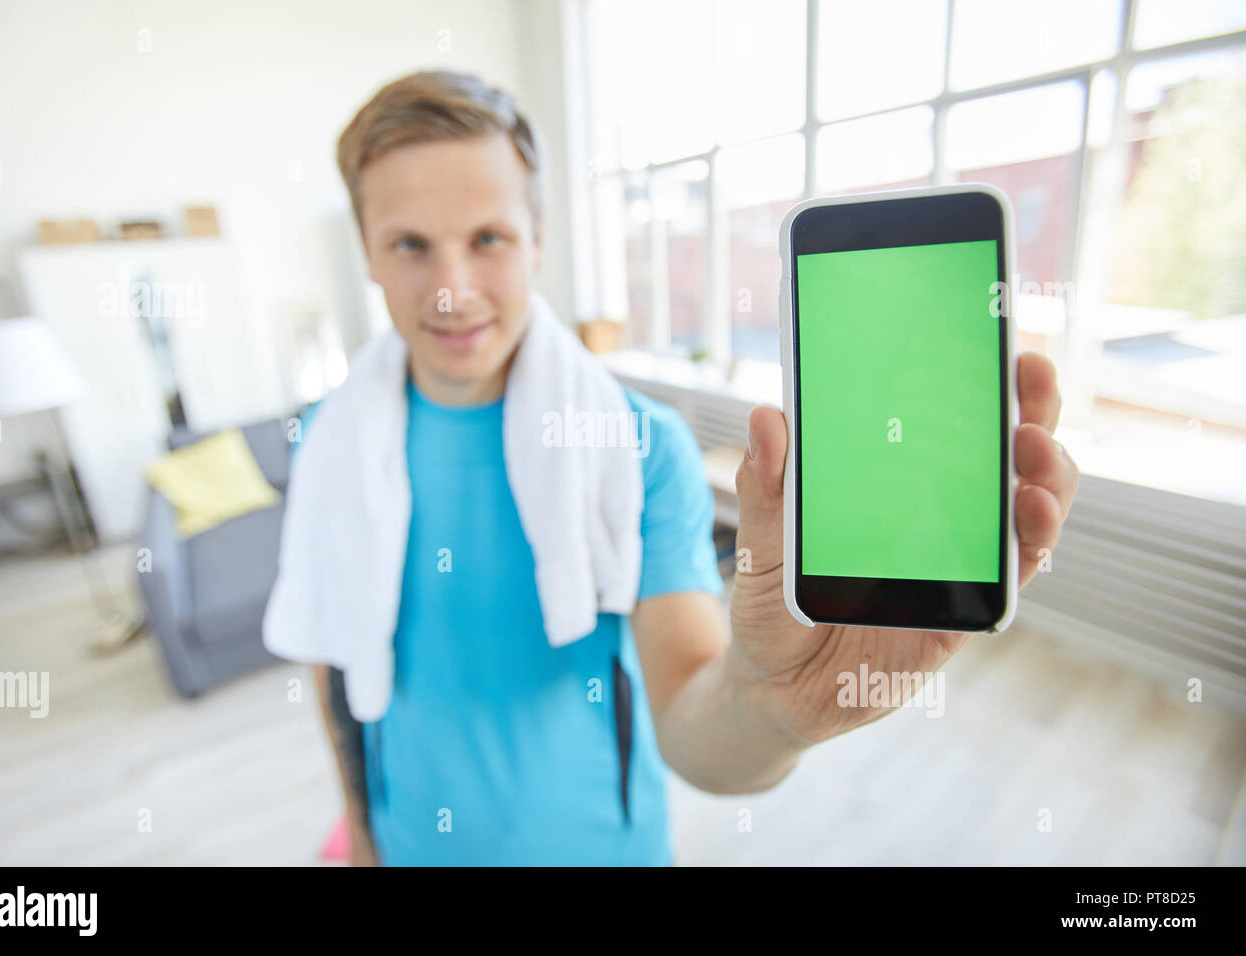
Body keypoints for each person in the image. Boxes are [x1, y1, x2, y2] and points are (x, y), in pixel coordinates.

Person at [267, 70, 1080, 866]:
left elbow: (694, 731)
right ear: (369, 255)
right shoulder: (331, 441)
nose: (452, 292)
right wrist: (360, 829)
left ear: (537, 242)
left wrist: (779, 708)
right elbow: (333, 651)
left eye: (488, 239)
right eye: (410, 245)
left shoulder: (637, 447)